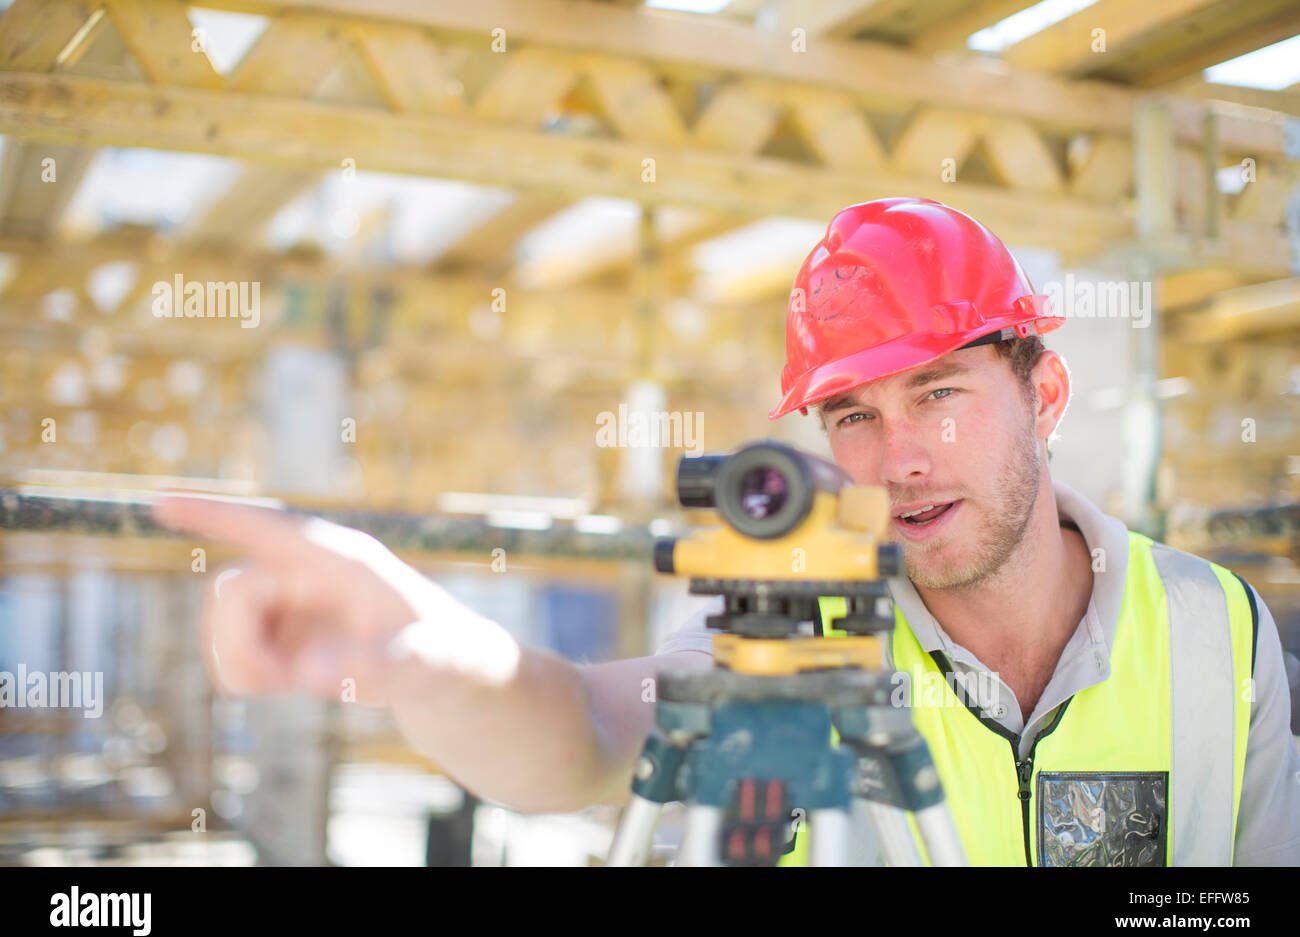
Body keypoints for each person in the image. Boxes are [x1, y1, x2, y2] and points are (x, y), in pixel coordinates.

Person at [155, 197, 1300, 866]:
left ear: (1042, 395)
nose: (896, 456)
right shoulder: (795, 654)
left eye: (940, 394)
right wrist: (425, 654)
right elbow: (586, 732)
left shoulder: (1215, 633)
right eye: (854, 413)